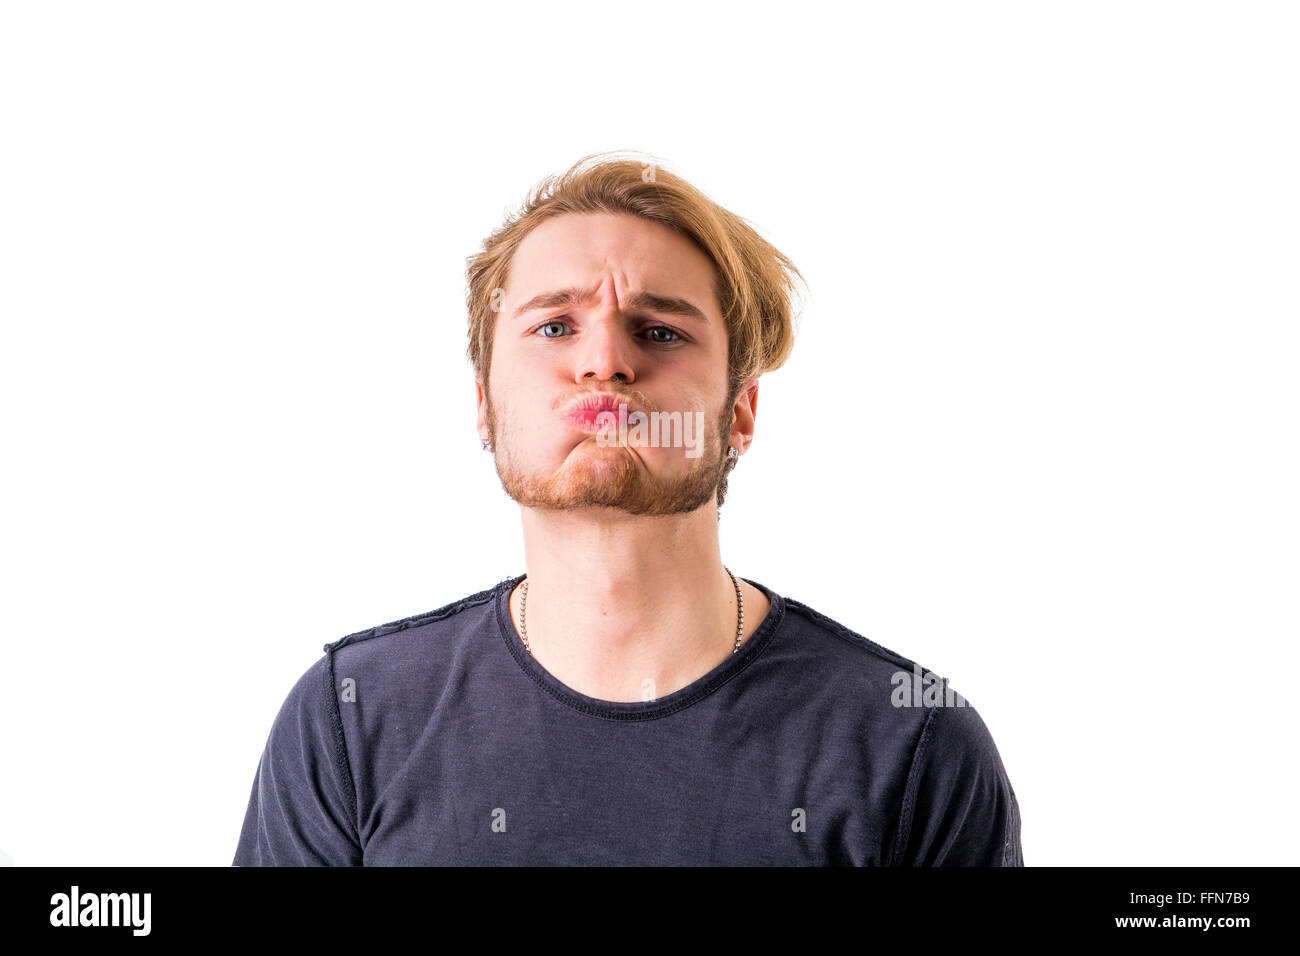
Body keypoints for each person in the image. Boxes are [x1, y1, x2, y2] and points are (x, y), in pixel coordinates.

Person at [233, 152, 1024, 866]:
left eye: (659, 331)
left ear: (740, 411)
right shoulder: (351, 720)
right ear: (485, 406)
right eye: (553, 326)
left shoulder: (910, 742)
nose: (605, 363)